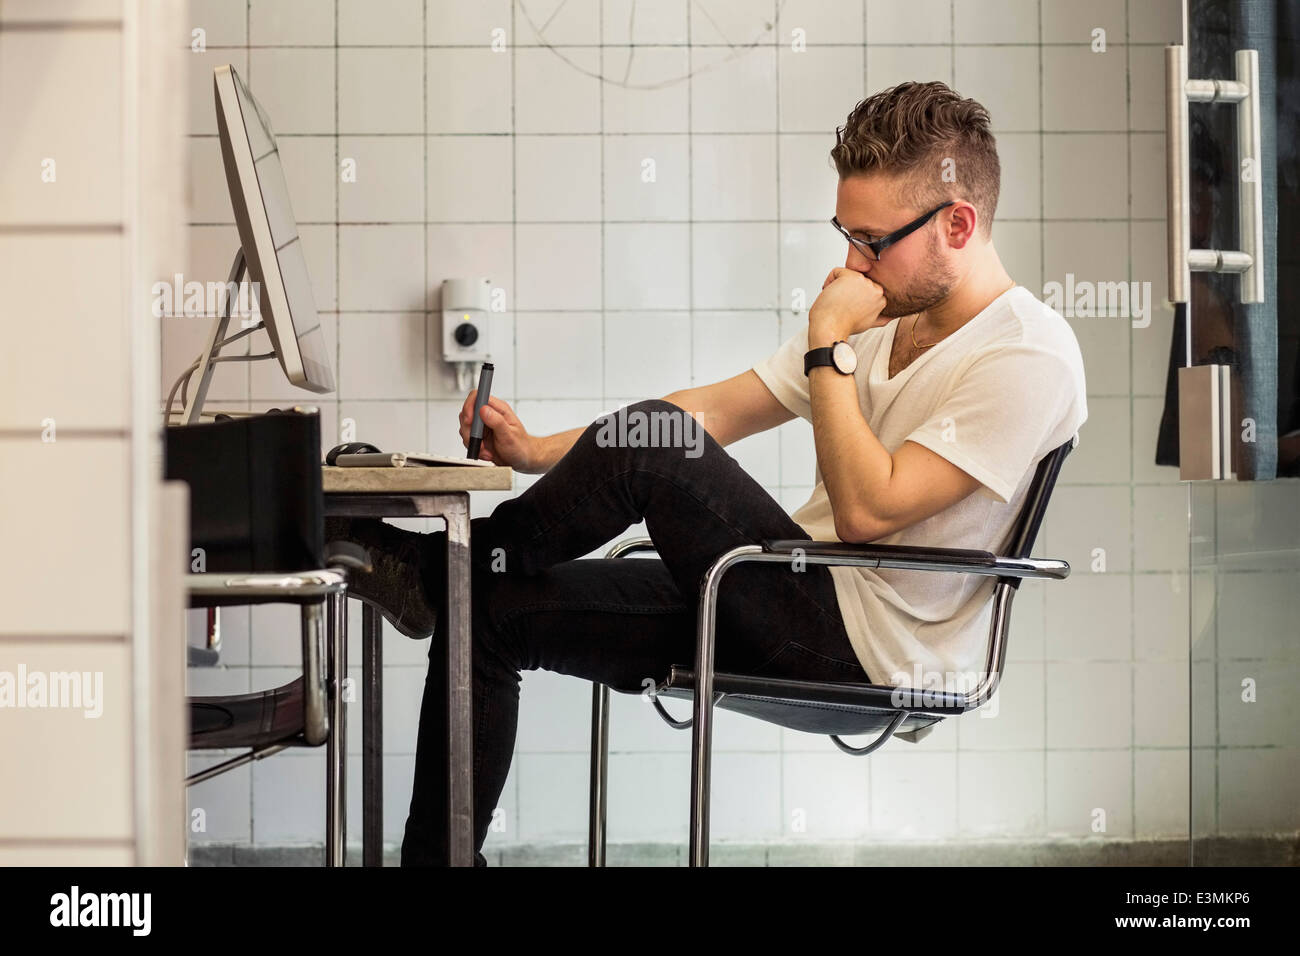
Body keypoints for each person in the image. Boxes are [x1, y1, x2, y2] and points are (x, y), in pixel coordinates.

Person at [326, 80, 1088, 866]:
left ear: (956, 224)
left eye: (871, 240)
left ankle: (430, 569)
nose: (852, 262)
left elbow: (867, 512)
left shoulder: (1027, 354)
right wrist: (535, 450)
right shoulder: (885, 317)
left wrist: (828, 342)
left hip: (870, 647)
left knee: (653, 458)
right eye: (846, 234)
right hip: (778, 589)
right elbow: (714, 412)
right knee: (488, 608)